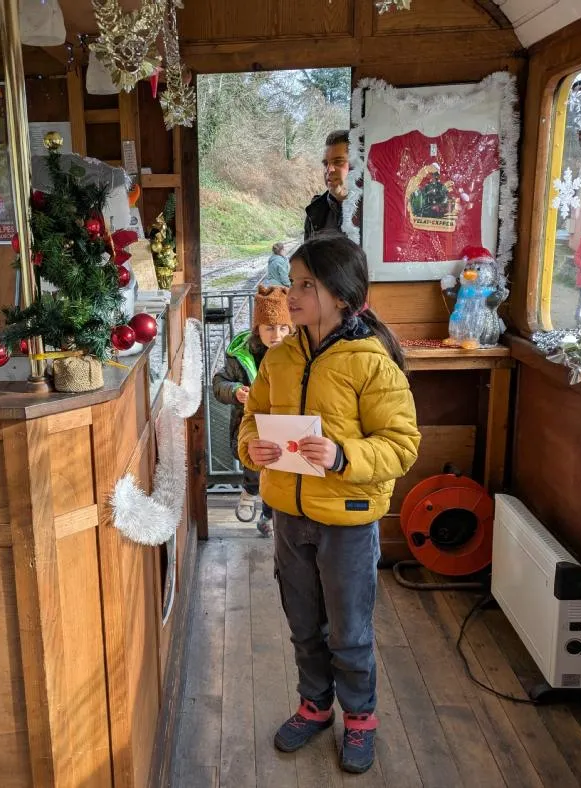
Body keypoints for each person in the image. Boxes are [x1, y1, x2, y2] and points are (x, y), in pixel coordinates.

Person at [239, 234, 420, 774]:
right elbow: (253, 419)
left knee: (350, 631)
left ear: (340, 295)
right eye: (294, 283)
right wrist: (251, 446)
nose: (291, 295)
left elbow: (401, 445)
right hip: (289, 517)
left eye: (305, 285)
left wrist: (343, 455)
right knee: (302, 621)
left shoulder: (372, 363)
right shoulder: (280, 356)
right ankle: (315, 706)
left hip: (347, 521)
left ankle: (359, 719)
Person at [212, 285, 293, 536]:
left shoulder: (298, 354)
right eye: (269, 327)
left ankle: (268, 514)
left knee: (279, 469)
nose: (276, 334)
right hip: (251, 424)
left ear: (291, 328)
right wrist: (235, 390)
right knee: (256, 464)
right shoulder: (241, 357)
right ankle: (249, 491)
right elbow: (219, 383)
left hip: (286, 423)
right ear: (257, 329)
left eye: (282, 328)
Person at [304, 130, 351, 240]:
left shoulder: (373, 210)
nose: (329, 170)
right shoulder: (315, 211)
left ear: (357, 163)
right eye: (326, 164)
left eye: (338, 161)